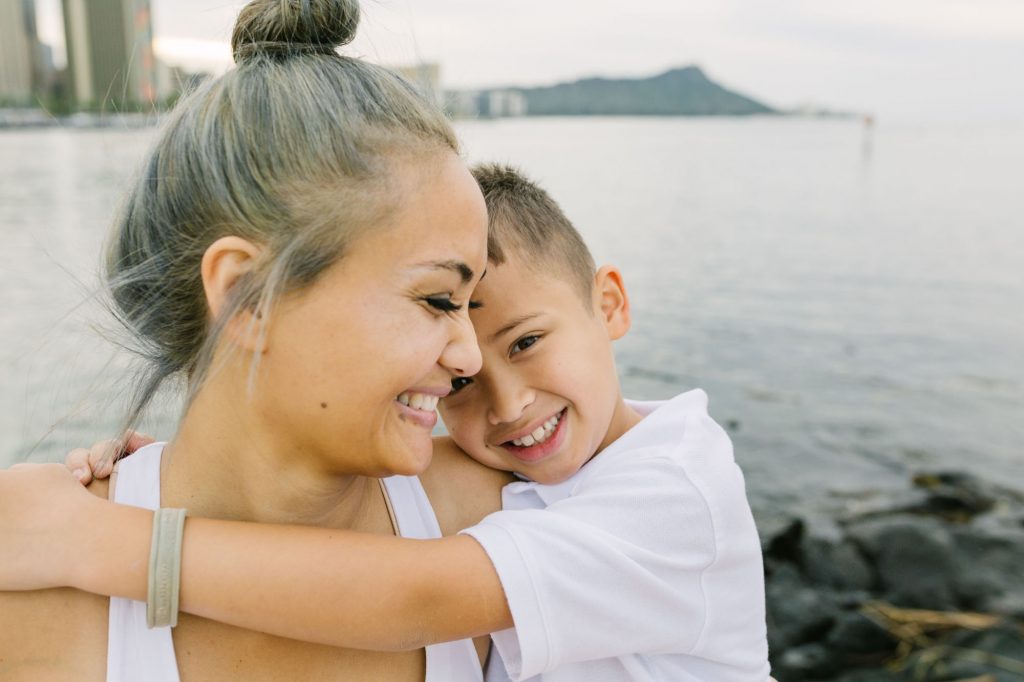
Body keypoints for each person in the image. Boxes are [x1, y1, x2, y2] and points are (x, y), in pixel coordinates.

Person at [1, 165, 772, 681]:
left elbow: (417, 599)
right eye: (461, 382)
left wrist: (99, 539)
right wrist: (161, 476)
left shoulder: (678, 494)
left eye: (526, 343)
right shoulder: (523, 471)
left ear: (611, 304)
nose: (507, 405)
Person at [0, 0, 510, 679]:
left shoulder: (507, 514)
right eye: (437, 300)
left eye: (471, 306)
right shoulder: (30, 594)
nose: (470, 356)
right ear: (248, 295)